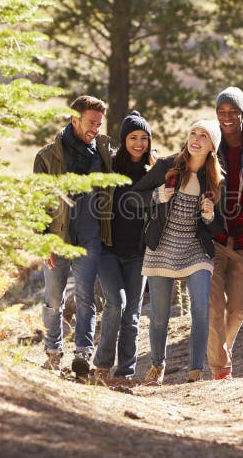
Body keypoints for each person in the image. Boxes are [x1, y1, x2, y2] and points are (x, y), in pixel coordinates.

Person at [132, 120, 224, 385]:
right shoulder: (166, 167)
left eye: (203, 136)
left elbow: (218, 229)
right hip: (161, 246)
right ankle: (157, 366)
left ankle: (196, 371)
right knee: (160, 315)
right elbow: (131, 196)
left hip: (195, 249)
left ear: (212, 146)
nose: (195, 139)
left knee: (200, 307)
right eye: (193, 133)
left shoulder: (217, 180)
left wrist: (209, 215)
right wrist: (158, 195)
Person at [34, 95, 113, 378]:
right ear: (74, 119)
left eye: (99, 124)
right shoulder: (47, 157)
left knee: (85, 297)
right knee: (53, 298)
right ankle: (53, 352)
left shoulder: (102, 154)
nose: (96, 129)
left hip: (90, 236)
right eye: (91, 123)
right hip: (57, 237)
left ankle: (83, 352)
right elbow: (38, 203)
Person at [93, 111, 155, 383]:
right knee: (115, 305)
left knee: (132, 313)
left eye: (144, 138)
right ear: (124, 140)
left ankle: (125, 372)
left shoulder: (154, 172)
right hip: (108, 251)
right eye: (133, 137)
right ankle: (103, 365)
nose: (139, 143)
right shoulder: (109, 168)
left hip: (139, 254)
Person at [207, 87, 243, 380]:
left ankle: (221, 351)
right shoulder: (209, 146)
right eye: (221, 112)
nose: (227, 117)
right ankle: (220, 368)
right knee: (214, 308)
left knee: (239, 309)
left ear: (242, 114)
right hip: (213, 239)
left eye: (233, 112)